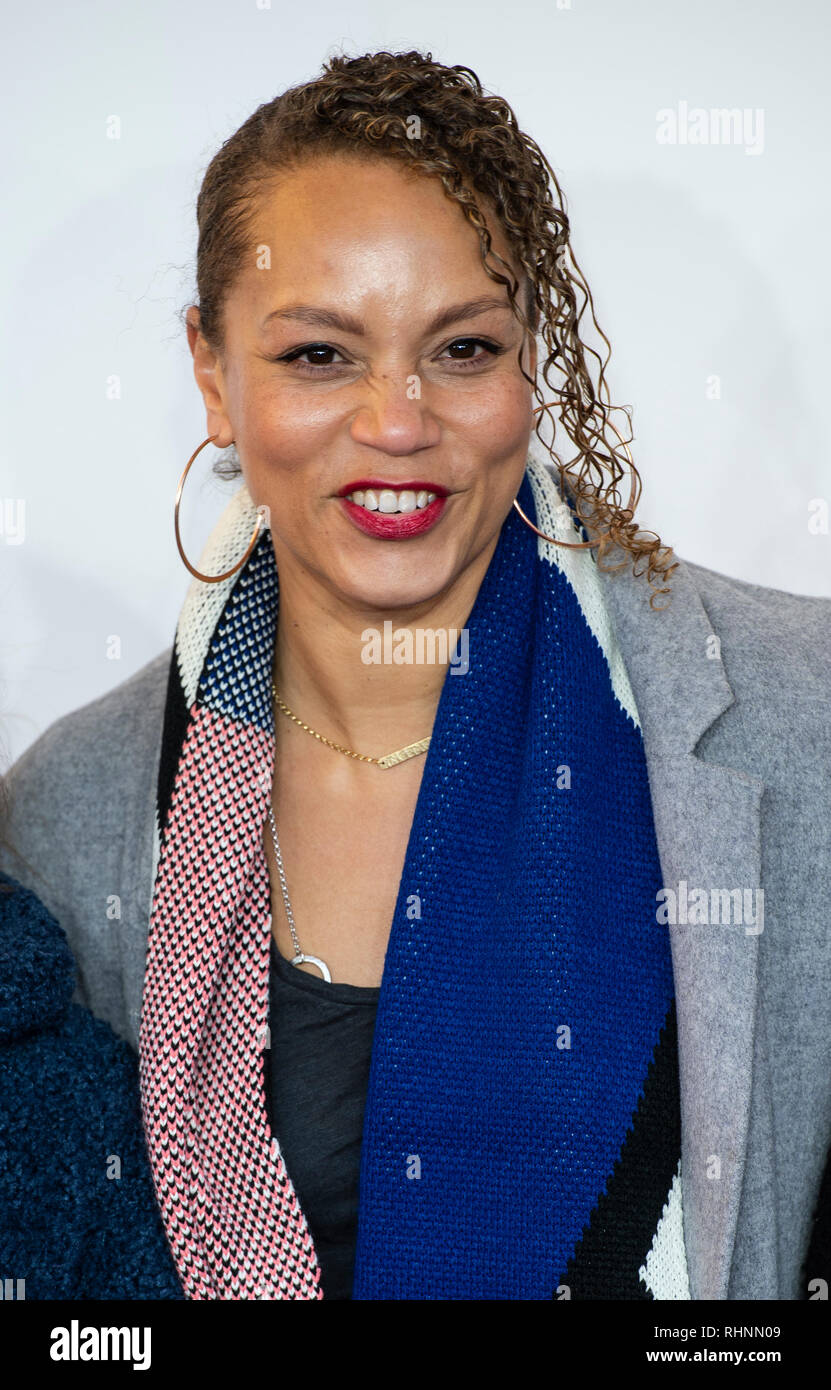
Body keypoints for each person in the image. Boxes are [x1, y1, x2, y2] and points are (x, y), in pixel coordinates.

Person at [1, 48, 829, 1302]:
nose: (398, 422)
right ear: (211, 377)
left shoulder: (798, 710)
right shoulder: (70, 805)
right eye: (319, 356)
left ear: (529, 364)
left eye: (461, 348)